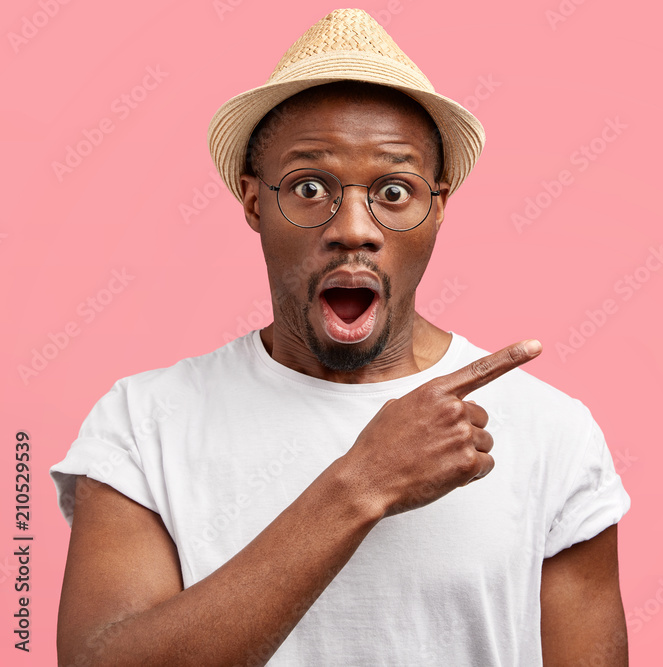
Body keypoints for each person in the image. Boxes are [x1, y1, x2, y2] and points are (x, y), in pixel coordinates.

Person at [50, 8, 631, 666]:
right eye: (309, 187)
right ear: (253, 202)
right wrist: (362, 482)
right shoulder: (142, 423)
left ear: (438, 207)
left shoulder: (551, 429)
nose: (353, 227)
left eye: (394, 191)